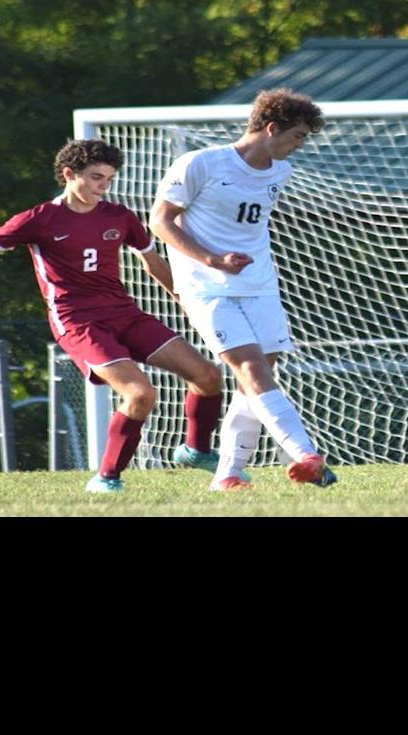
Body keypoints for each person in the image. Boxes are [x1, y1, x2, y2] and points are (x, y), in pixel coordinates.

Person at [0, 139, 224, 493]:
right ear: (68, 174)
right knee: (140, 394)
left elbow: (152, 263)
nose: (103, 186)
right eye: (95, 177)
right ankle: (107, 479)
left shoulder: (119, 216)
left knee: (208, 375)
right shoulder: (39, 219)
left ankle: (196, 450)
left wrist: (186, 301)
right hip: (78, 322)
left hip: (124, 313)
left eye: (108, 179)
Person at [150, 87, 336, 491]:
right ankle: (305, 454)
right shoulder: (200, 163)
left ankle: (229, 474)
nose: (300, 145)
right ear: (271, 128)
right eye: (298, 135)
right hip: (207, 287)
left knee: (256, 378)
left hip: (260, 286)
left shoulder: (280, 172)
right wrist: (211, 259)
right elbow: (160, 221)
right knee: (251, 369)